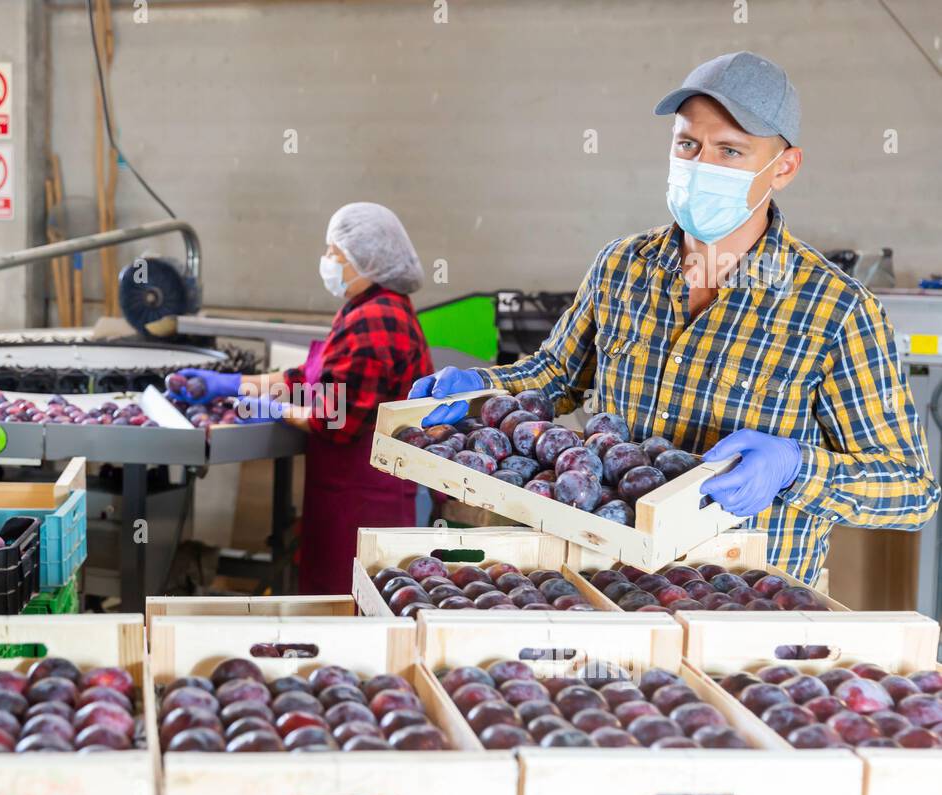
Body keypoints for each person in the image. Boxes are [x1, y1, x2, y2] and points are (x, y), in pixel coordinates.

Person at [411, 52, 938, 585]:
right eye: (688, 145)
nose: (700, 166)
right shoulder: (621, 267)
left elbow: (910, 490)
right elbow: (555, 377)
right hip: (603, 584)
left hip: (743, 610)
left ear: (784, 167)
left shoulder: (836, 309)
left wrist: (797, 467)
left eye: (729, 151)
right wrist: (481, 386)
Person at [168, 202, 433, 593]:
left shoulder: (375, 320)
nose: (326, 260)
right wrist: (231, 384)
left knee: (354, 605)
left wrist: (272, 409)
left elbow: (333, 419)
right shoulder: (364, 309)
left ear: (367, 261)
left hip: (364, 502)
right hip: (350, 495)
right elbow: (311, 379)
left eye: (334, 253)